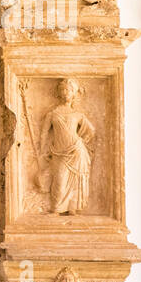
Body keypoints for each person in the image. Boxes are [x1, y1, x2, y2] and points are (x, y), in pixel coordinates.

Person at [40, 77, 94, 214]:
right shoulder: (52, 114)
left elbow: (91, 130)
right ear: (59, 93)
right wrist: (42, 150)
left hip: (76, 151)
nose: (66, 93)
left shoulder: (78, 115)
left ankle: (72, 210)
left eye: (69, 90)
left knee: (75, 181)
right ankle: (56, 209)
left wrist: (82, 142)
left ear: (74, 93)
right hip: (59, 152)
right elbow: (44, 133)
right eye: (63, 90)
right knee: (59, 180)